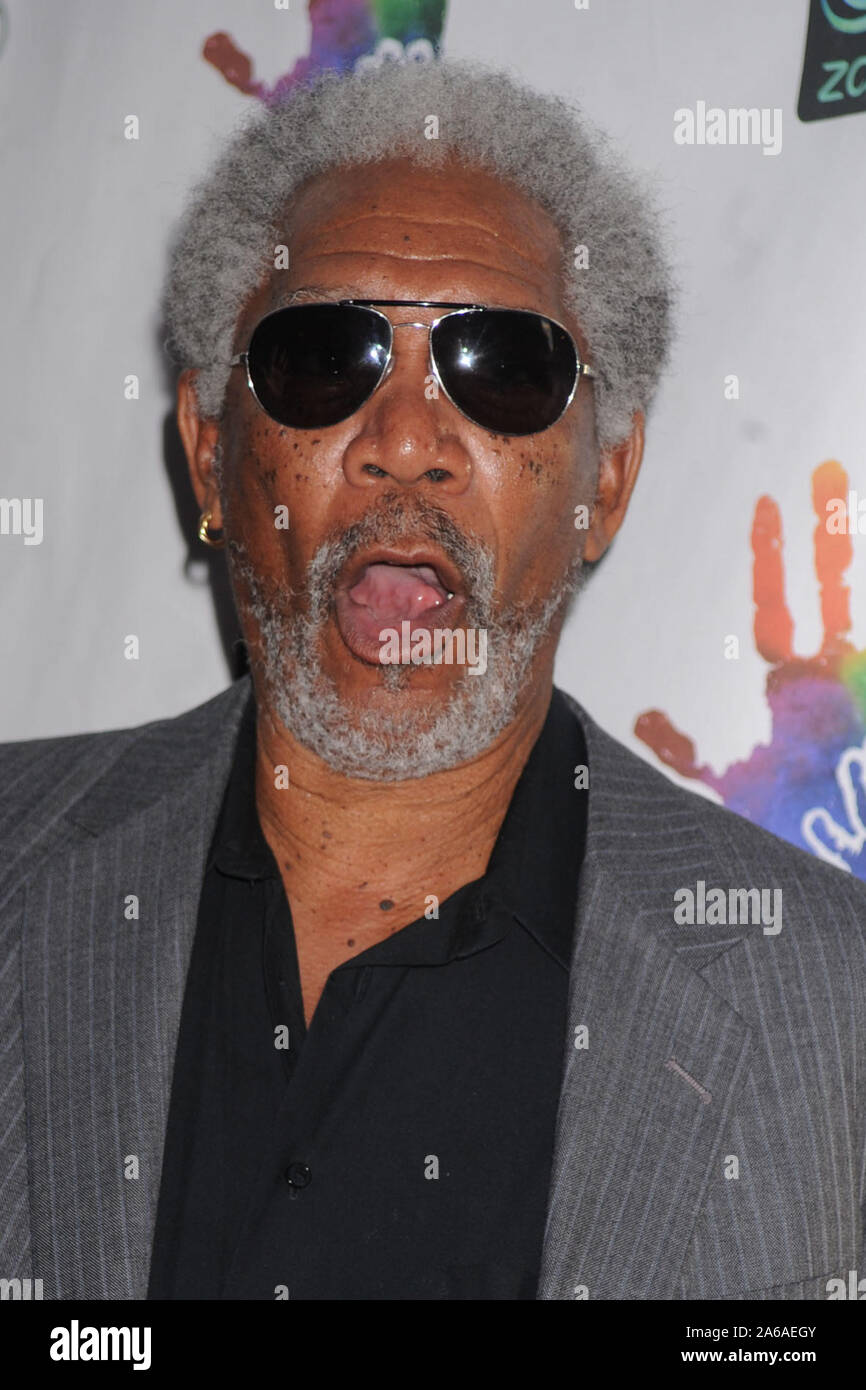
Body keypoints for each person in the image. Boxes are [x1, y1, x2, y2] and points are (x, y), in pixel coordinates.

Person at [1, 59, 864, 1303]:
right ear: (206, 454)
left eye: (502, 367)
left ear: (602, 485)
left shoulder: (826, 1015)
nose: (405, 440)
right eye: (322, 357)